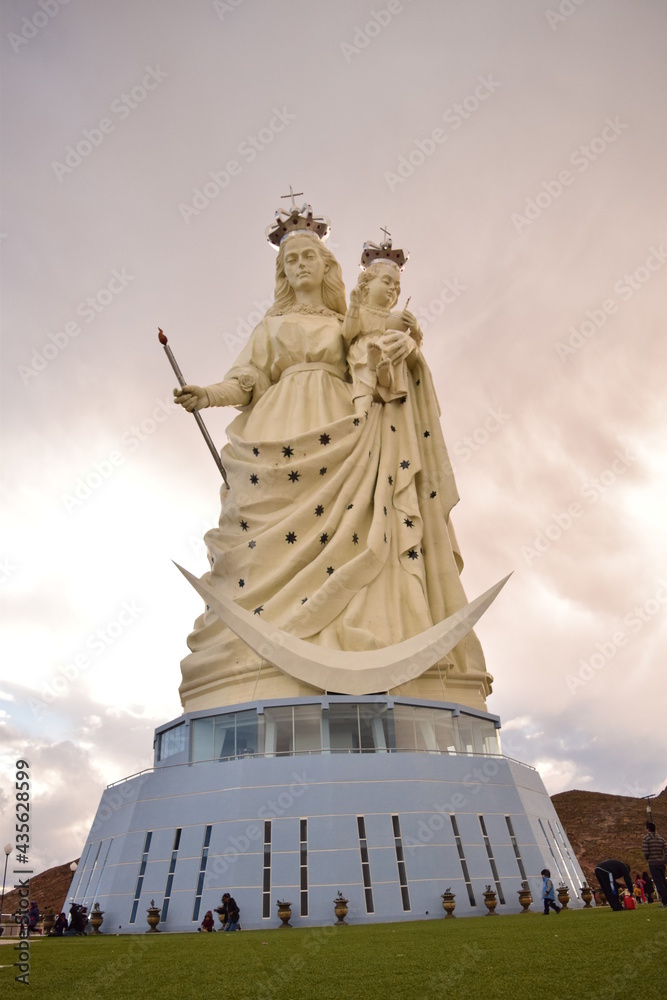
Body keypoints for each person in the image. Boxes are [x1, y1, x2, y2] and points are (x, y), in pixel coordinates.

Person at [174, 205, 490, 711]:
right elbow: (248, 379)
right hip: (274, 431)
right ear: (282, 271)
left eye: (308, 257)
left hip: (341, 431)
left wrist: (403, 341)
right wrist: (206, 395)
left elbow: (373, 365)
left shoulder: (346, 323)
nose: (299, 265)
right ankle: (254, 658)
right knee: (259, 543)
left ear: (326, 267)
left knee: (352, 530)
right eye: (290, 259)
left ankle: (344, 638)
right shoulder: (269, 326)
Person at [342, 257, 421, 413]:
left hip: (389, 355)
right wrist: (354, 305)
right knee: (368, 351)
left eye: (396, 286)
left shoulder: (394, 318)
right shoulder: (361, 310)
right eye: (386, 282)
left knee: (394, 352)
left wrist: (414, 332)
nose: (393, 288)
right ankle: (374, 367)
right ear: (366, 285)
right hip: (364, 351)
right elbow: (348, 333)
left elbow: (412, 358)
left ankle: (384, 376)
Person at [642, 821, 667, 906]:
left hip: (653, 863)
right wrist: (664, 859)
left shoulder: (646, 839)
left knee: (658, 883)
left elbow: (646, 852)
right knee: (663, 881)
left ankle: (665, 900)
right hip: (662, 863)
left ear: (648, 829)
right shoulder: (661, 838)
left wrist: (648, 858)